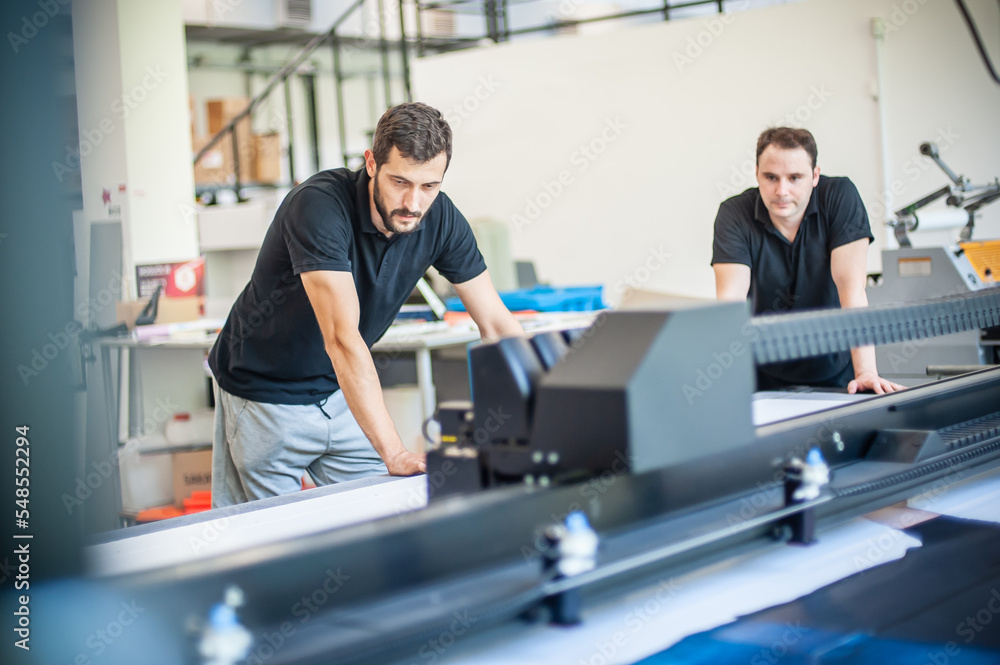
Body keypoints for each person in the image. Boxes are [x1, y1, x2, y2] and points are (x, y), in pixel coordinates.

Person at [208, 102, 523, 507]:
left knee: (380, 518)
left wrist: (547, 411)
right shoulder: (319, 207)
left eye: (429, 186)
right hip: (264, 395)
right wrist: (394, 452)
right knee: (270, 544)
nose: (413, 202)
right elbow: (341, 339)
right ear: (371, 163)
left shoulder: (440, 217)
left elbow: (497, 324)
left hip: (339, 393)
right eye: (400, 182)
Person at [711, 126, 904, 394]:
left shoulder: (839, 197)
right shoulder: (734, 214)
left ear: (815, 176)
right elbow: (729, 305)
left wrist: (866, 372)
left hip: (836, 372)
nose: (781, 190)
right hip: (762, 373)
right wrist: (724, 382)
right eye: (771, 177)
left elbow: (852, 291)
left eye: (794, 178)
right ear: (756, 173)